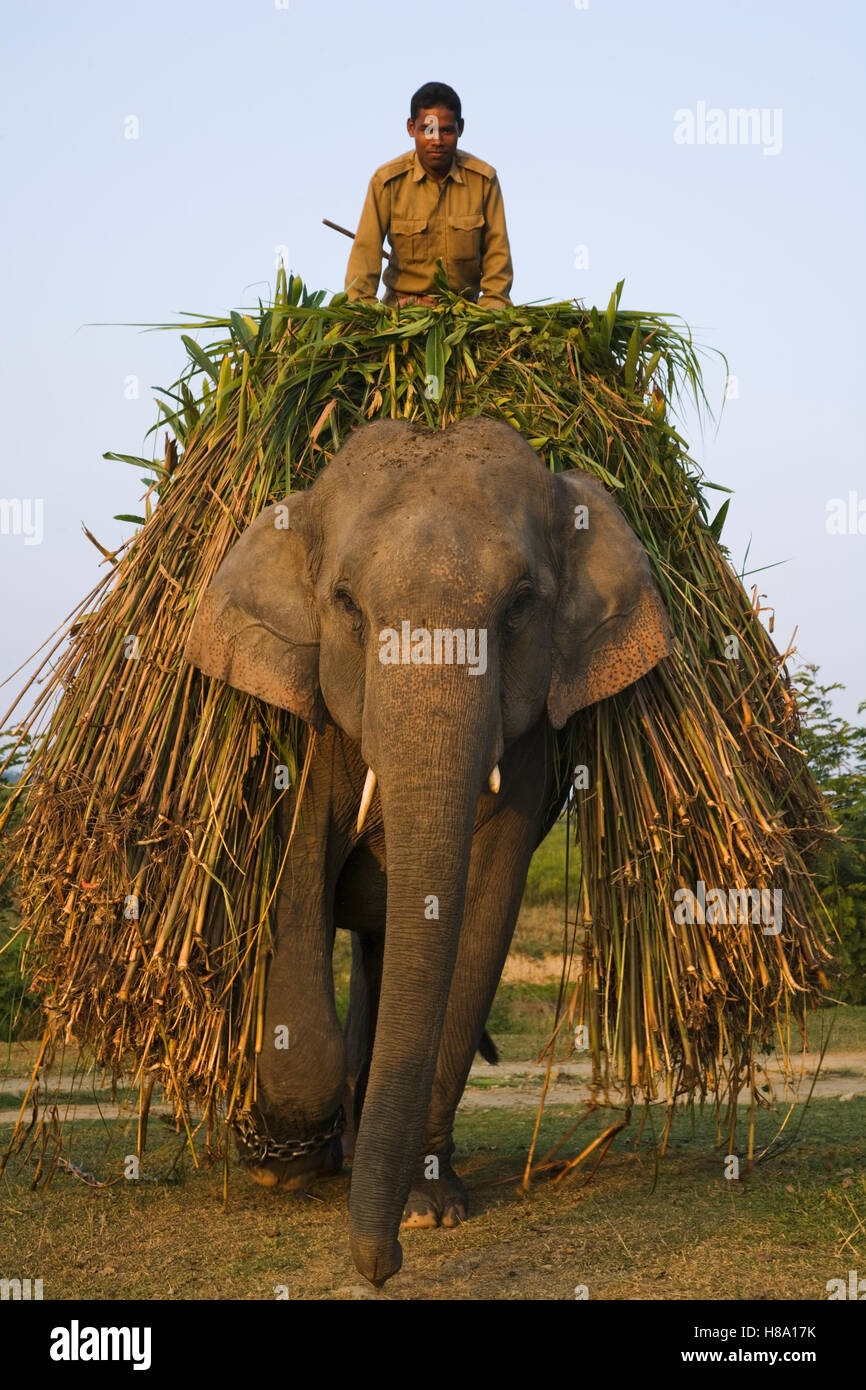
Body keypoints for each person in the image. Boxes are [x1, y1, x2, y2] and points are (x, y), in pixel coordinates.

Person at [345, 82, 513, 309]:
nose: (437, 141)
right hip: (402, 312)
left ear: (460, 128)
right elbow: (364, 257)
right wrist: (363, 313)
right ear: (411, 128)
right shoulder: (387, 181)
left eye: (446, 130)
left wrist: (490, 310)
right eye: (427, 130)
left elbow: (497, 256)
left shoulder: (483, 180)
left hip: (466, 314)